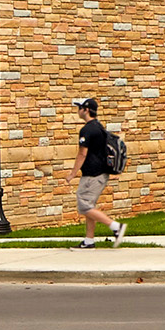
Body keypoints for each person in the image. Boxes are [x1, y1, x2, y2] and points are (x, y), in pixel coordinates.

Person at [71, 97, 123, 248]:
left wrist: (72, 173)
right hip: (99, 173)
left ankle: (115, 227)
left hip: (92, 175)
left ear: (86, 110)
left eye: (79, 107)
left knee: (84, 206)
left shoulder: (87, 130)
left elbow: (82, 154)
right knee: (89, 206)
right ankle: (89, 240)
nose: (77, 110)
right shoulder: (98, 127)